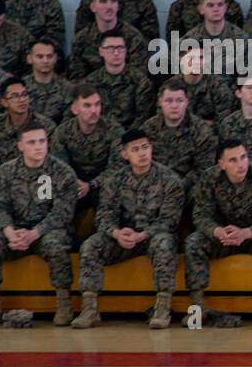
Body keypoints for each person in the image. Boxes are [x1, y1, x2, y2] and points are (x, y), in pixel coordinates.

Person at [72, 127, 184, 329]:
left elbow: (169, 220)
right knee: (91, 245)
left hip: (152, 236)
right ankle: (89, 308)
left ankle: (163, 308)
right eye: (135, 149)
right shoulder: (114, 180)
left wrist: (142, 235)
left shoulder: (170, 180)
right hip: (122, 238)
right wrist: (116, 233)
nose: (142, 153)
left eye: (145, 147)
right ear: (124, 154)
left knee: (164, 243)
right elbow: (104, 215)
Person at [185, 139, 252, 328]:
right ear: (222, 164)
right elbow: (200, 215)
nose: (241, 164)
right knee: (193, 242)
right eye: (233, 160)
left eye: (243, 157)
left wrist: (248, 232)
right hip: (223, 237)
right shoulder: (209, 178)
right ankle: (197, 308)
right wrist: (216, 231)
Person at [0, 123, 78, 325]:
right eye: (31, 142)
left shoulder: (63, 173)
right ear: (20, 146)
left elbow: (62, 213)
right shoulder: (5, 172)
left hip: (48, 231)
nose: (38, 146)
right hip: (14, 231)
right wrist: (10, 233)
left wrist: (34, 233)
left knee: (56, 245)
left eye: (42, 141)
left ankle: (63, 303)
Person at [50, 82, 123, 211]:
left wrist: (91, 185)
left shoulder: (114, 130)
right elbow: (59, 166)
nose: (94, 110)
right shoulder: (62, 132)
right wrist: (75, 183)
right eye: (87, 105)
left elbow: (117, 166)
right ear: (75, 109)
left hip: (104, 184)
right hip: (74, 185)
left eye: (97, 104)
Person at [141, 78, 217, 193]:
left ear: (186, 102)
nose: (174, 106)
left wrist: (176, 187)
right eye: (169, 101)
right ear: (160, 101)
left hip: (187, 188)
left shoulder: (201, 130)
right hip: (153, 186)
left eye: (179, 100)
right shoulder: (148, 128)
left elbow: (203, 168)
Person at [0, 75, 56, 164]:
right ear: (4, 102)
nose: (22, 100)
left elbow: (52, 160)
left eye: (24, 95)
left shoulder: (46, 125)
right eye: (15, 96)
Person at [23, 38, 74, 124]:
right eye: (40, 56)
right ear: (29, 59)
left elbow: (68, 123)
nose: (45, 61)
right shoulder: (21, 88)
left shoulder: (68, 88)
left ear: (55, 58)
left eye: (49, 56)